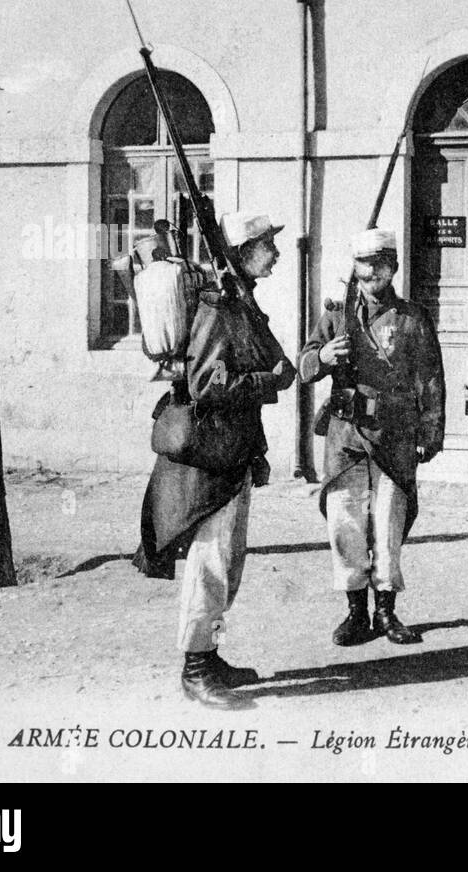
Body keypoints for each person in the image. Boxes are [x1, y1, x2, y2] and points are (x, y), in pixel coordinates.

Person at [136, 212, 296, 709]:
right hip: (209, 458)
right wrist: (270, 380)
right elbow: (209, 384)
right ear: (245, 251)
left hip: (233, 452)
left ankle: (210, 652)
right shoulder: (216, 306)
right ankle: (195, 669)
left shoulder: (240, 303)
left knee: (229, 560)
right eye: (268, 245)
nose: (275, 253)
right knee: (210, 564)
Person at [299, 228, 445, 646]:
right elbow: (304, 366)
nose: (373, 271)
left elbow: (431, 379)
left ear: (394, 267)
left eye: (382, 262)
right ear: (355, 268)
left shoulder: (412, 319)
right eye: (365, 263)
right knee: (345, 523)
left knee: (387, 523)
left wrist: (431, 431)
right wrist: (324, 357)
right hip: (345, 437)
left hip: (394, 436)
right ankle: (354, 612)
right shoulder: (335, 317)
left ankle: (386, 610)